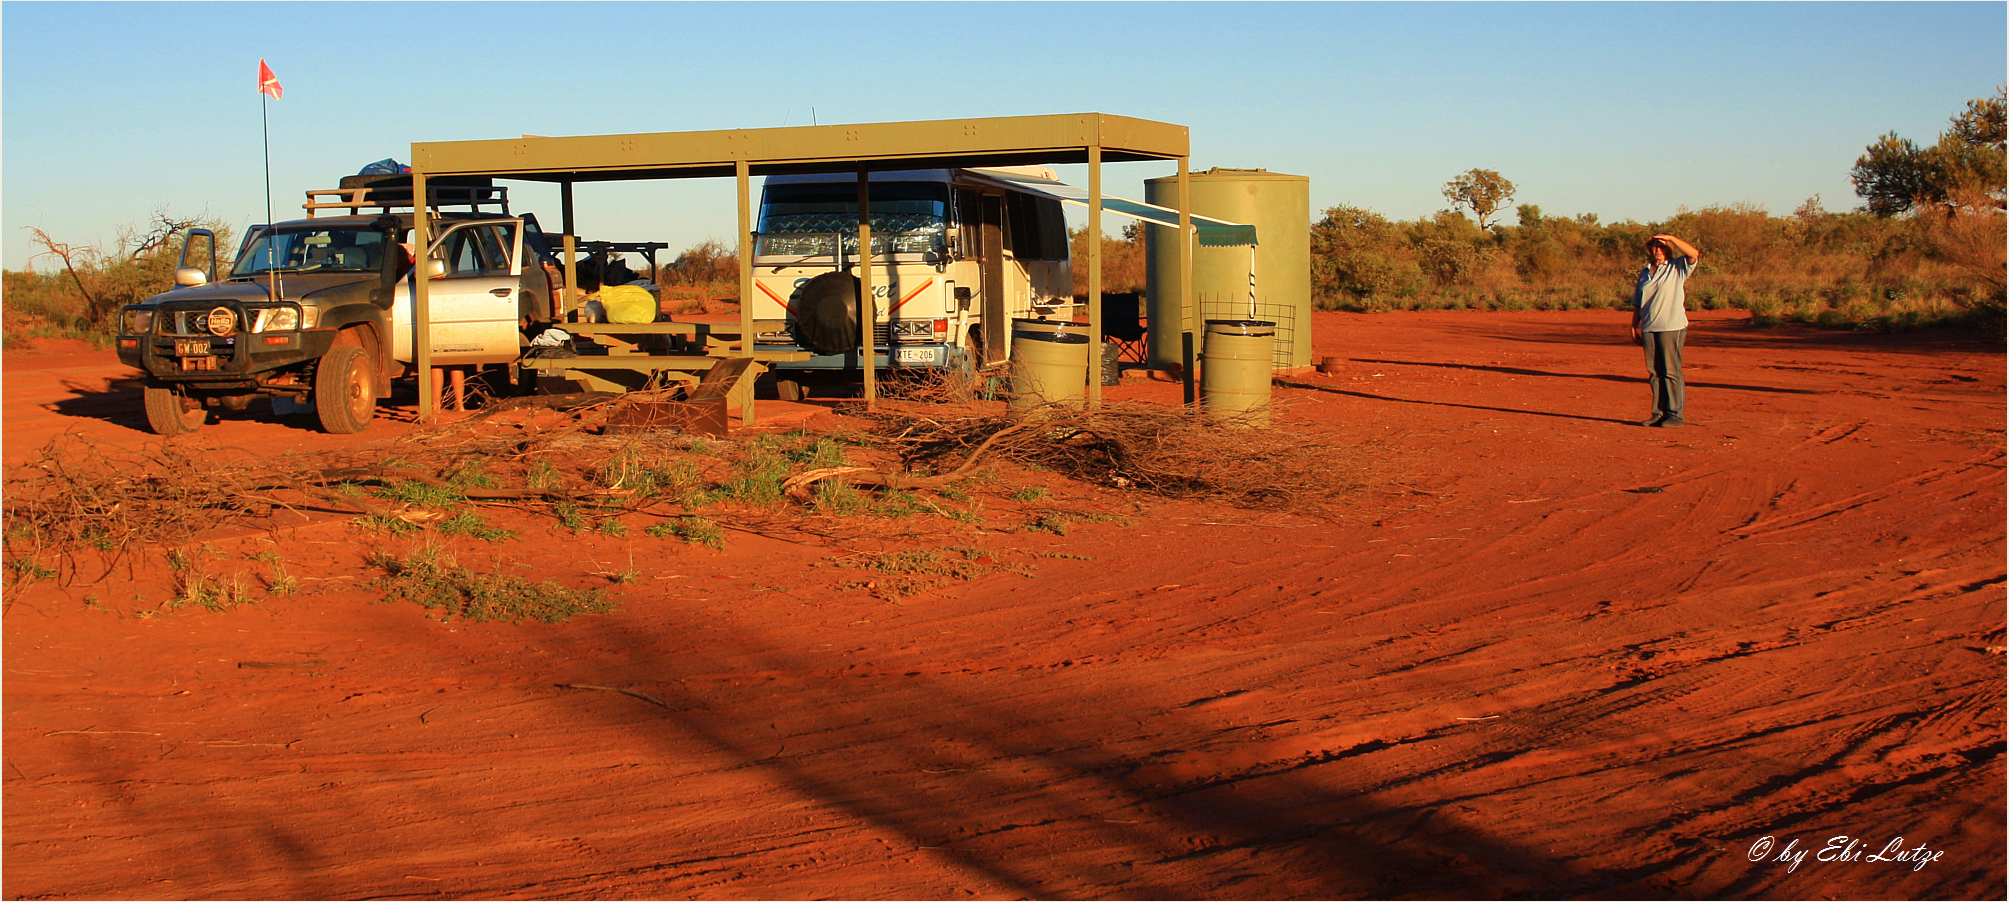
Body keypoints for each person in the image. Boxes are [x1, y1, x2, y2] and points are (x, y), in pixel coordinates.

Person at [1631, 233, 1702, 427]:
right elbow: (1638, 302)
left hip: (1672, 326)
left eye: (1661, 247)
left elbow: (1694, 253)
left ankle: (1675, 414)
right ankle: (1658, 412)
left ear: (1668, 249)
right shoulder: (1645, 272)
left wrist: (1671, 238)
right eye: (1654, 246)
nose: (1657, 250)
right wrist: (1633, 325)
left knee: (1671, 370)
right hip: (1649, 326)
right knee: (1655, 372)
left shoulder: (1677, 267)